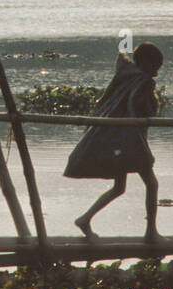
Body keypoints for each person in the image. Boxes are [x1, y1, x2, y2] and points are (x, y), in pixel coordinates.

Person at [66, 42, 167, 244]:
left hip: (118, 139)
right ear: (147, 63)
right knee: (151, 183)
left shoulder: (127, 76)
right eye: (155, 66)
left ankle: (85, 219)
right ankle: (151, 233)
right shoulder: (143, 81)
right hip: (129, 139)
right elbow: (138, 107)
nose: (156, 71)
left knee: (119, 187)